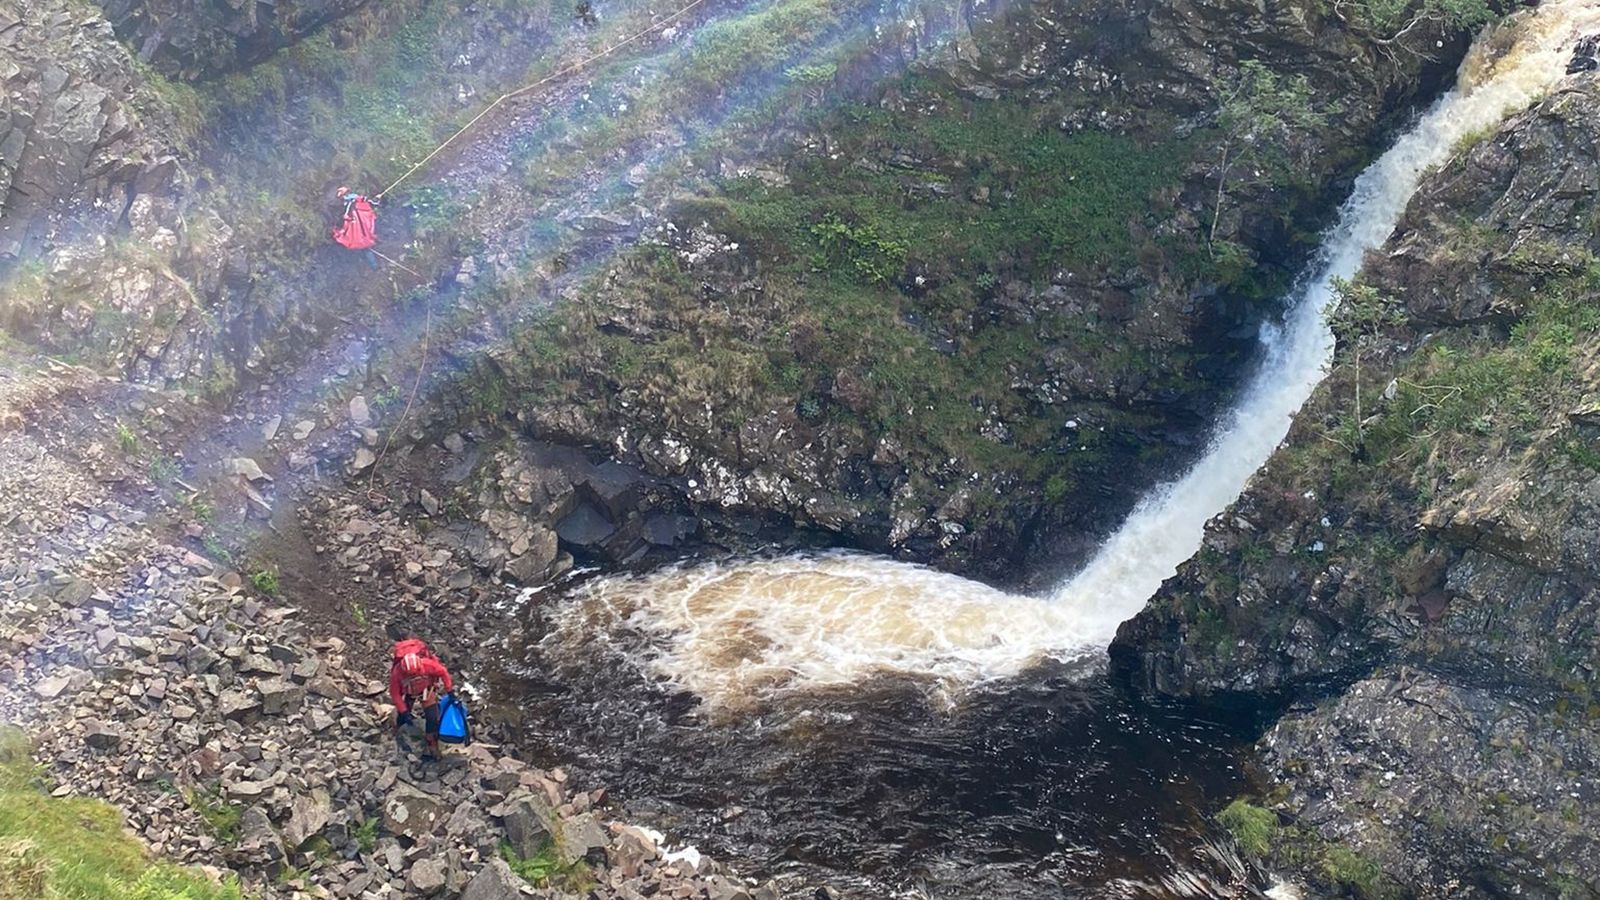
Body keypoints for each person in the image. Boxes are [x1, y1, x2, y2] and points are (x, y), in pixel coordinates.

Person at [388, 637, 454, 761]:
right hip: (409, 691)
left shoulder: (427, 664)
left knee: (432, 717)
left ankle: (431, 742)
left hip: (426, 689)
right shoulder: (397, 673)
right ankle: (399, 732)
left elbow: (443, 672)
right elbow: (395, 694)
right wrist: (404, 711)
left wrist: (449, 690)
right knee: (403, 717)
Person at [332, 186, 382, 270]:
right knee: (364, 245)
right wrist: (376, 198)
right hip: (360, 226)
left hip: (357, 225)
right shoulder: (354, 199)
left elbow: (347, 213)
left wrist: (376, 199)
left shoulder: (350, 200)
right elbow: (371, 202)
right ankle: (373, 266)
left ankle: (373, 265)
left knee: (362, 244)